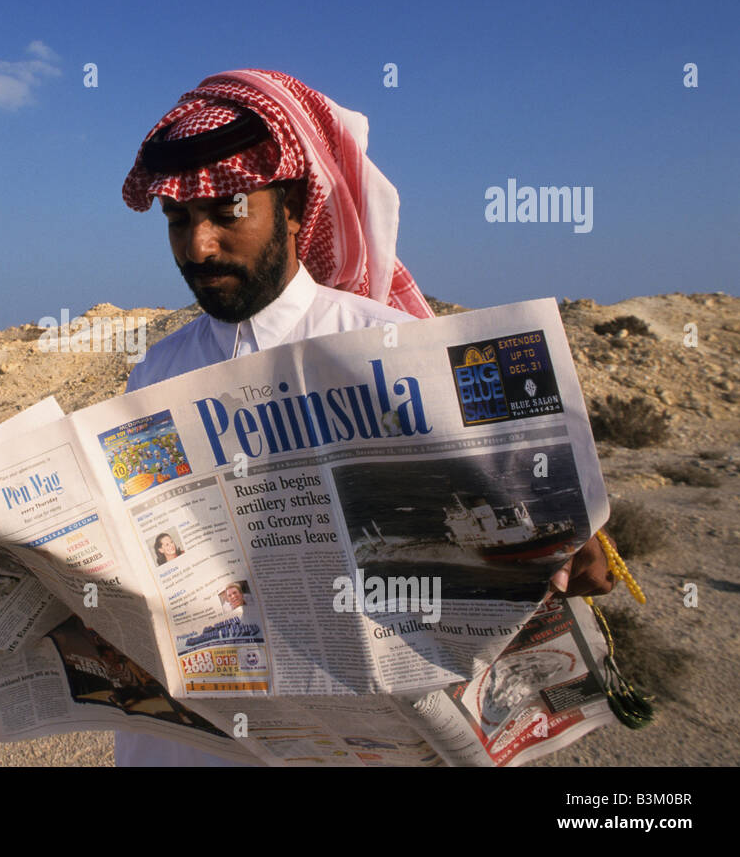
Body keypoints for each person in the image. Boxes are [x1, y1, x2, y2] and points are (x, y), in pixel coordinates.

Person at [115, 68, 617, 767]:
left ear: (292, 205)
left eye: (226, 211)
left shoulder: (386, 344)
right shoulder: (155, 373)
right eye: (178, 219)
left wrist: (572, 541)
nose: (198, 247)